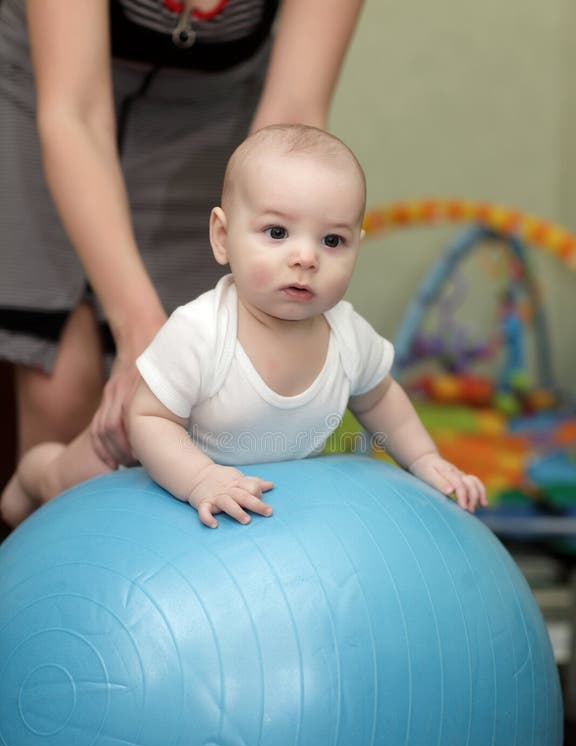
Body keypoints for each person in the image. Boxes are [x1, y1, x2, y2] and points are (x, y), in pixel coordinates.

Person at [1, 124, 488, 528]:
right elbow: (147, 419)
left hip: (244, 490)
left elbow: (380, 399)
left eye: (333, 241)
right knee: (65, 488)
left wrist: (424, 459)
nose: (305, 257)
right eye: (277, 233)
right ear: (222, 236)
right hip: (137, 458)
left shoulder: (347, 335)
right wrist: (200, 479)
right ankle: (33, 472)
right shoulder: (201, 331)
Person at [0, 0, 365, 471]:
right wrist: (141, 333)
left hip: (210, 118)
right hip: (52, 97)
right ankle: (33, 492)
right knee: (64, 390)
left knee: (196, 400)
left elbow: (295, 108)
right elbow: (76, 113)